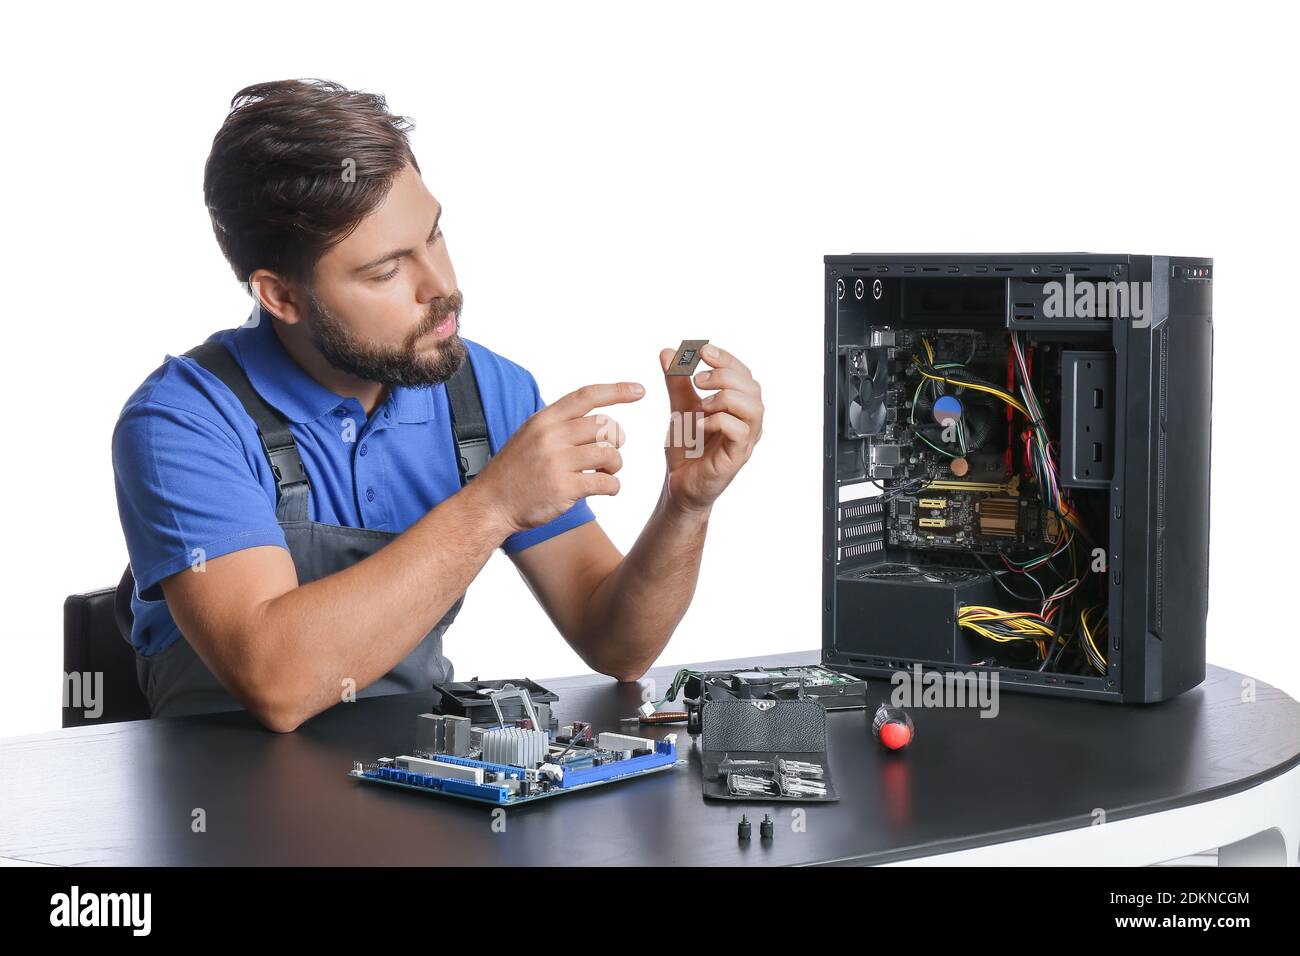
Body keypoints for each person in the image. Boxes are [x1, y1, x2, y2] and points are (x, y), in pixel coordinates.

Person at [111, 79, 764, 730]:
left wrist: (686, 505)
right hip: (222, 808)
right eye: (386, 270)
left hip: (415, 786)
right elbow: (276, 681)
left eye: (434, 235)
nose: (442, 286)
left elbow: (619, 645)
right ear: (281, 297)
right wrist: (495, 503)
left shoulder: (485, 394)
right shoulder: (182, 422)